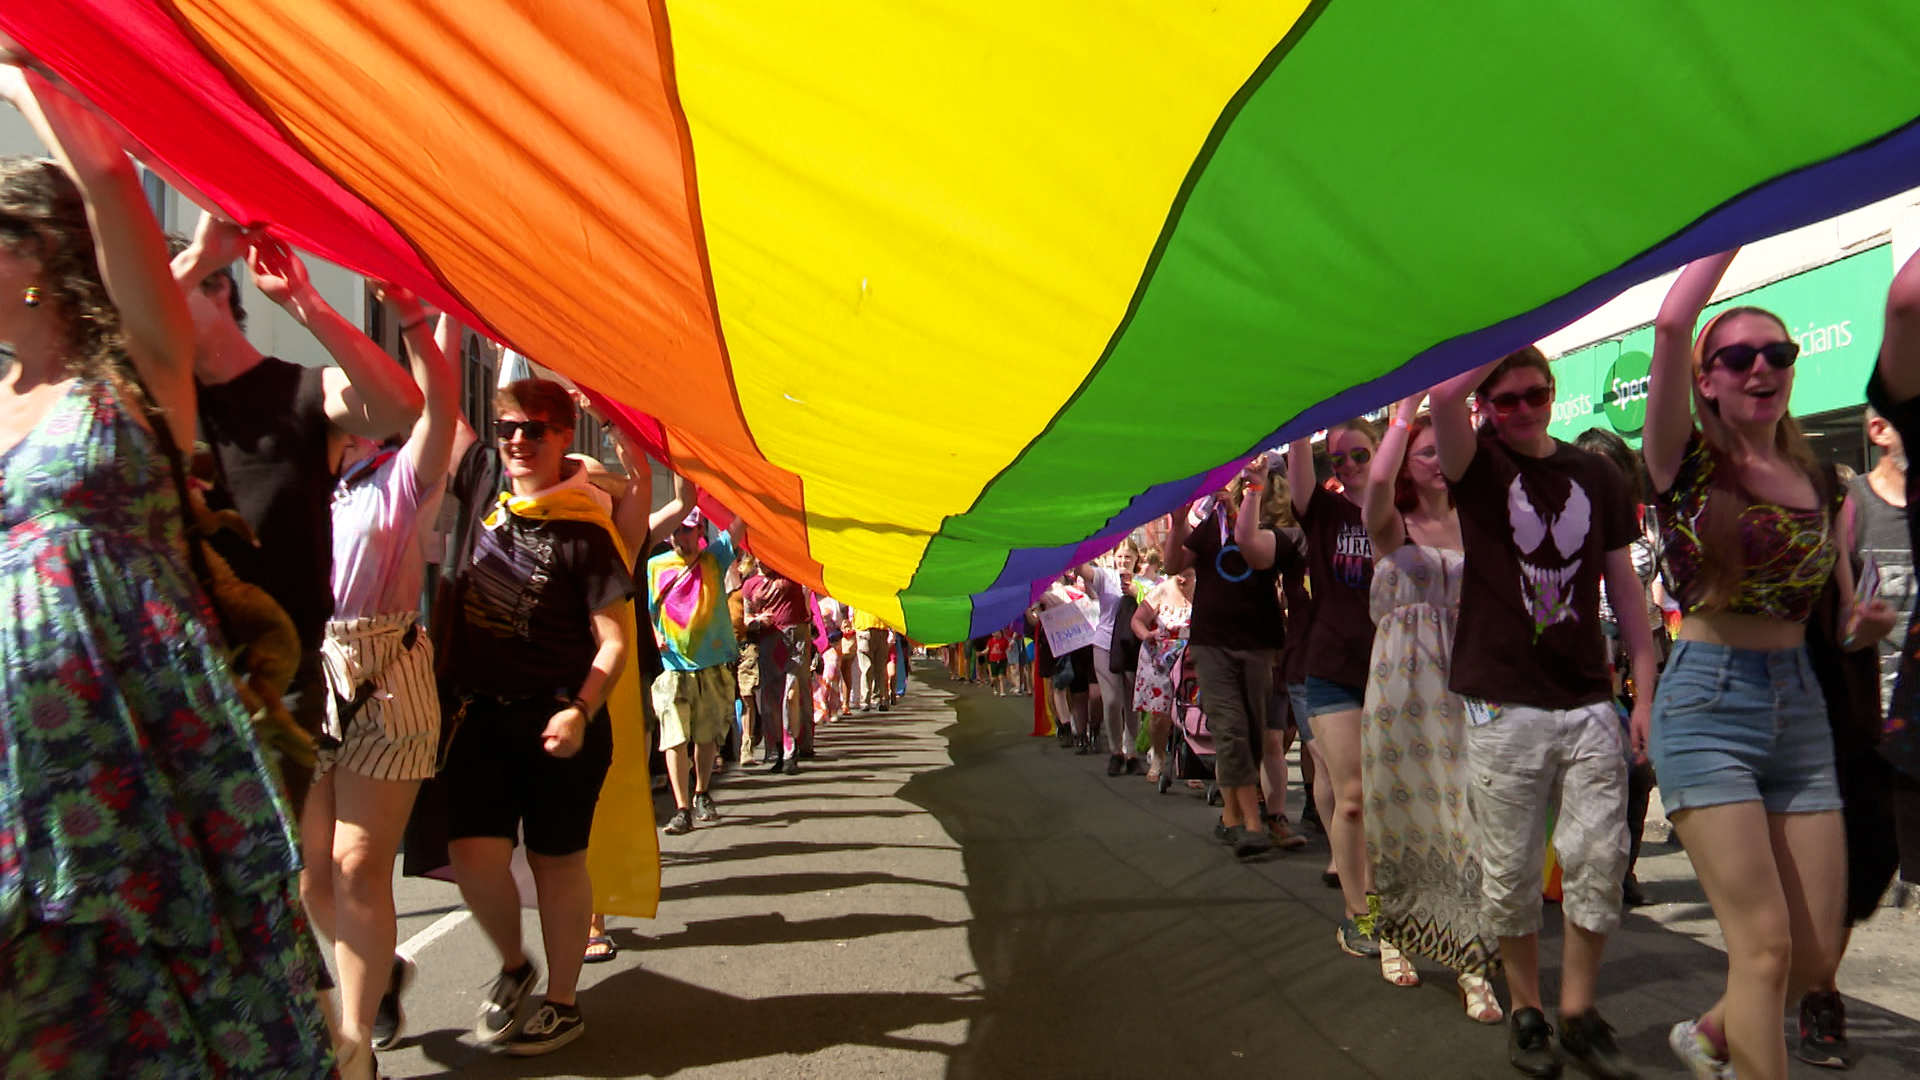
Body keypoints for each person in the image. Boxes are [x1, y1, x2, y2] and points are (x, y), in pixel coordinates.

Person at [0, 60, 335, 1078]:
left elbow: (106, 180)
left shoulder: (133, 379)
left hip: (143, 751)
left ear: (35, 261)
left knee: (178, 995)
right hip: (22, 775)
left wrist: (29, 87)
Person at [1645, 252, 1895, 1080]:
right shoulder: (1685, 462)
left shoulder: (1821, 478)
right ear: (1706, 381)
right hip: (1707, 704)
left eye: (1779, 356)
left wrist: (1864, 624)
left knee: (1813, 957)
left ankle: (1712, 1035)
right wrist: (1738, 224)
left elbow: (1846, 621)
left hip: (1801, 705)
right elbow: (1673, 321)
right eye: (1739, 358)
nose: (1762, 369)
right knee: (1763, 948)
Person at [1431, 345, 1659, 1080]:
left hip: (1587, 693)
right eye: (1506, 400)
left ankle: (1578, 1011)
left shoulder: (1596, 472)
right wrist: (1510, 328)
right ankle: (1527, 1008)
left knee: (1600, 856)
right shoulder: (1478, 465)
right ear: (1486, 408)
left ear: (1553, 393)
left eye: (1534, 395)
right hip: (1502, 700)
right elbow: (1439, 401)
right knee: (1512, 867)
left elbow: (1623, 584)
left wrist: (1644, 687)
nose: (1523, 410)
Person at [172, 212, 424, 811]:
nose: (154, 319)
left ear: (218, 287)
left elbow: (397, 406)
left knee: (267, 873)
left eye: (169, 293)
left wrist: (304, 302)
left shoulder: (301, 391)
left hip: (276, 684)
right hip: (173, 675)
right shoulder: (152, 408)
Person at [439, 378, 633, 1055]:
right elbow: (435, 398)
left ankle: (563, 1001)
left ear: (561, 439)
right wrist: (413, 316)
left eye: (535, 429)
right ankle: (515, 967)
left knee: (557, 863)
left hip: (561, 719)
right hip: (479, 715)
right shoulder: (483, 485)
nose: (518, 440)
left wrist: (582, 710)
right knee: (472, 854)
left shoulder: (588, 533)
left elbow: (613, 641)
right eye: (509, 428)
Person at [300, 291, 458, 1075]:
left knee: (359, 865)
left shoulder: (399, 478)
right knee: (309, 877)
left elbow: (441, 410)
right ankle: (383, 968)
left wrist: (425, 327)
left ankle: (355, 1046)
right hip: (306, 674)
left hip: (387, 671)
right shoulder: (295, 477)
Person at [1360, 393, 1503, 1022]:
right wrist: (1404, 413)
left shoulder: (1479, 520)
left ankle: (1473, 961)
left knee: (1473, 820)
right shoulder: (1391, 524)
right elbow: (1376, 482)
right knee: (1401, 813)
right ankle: (1395, 930)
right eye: (1426, 453)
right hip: (1402, 690)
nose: (1439, 462)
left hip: (1470, 686)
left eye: (1441, 450)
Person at [1164, 455, 1292, 860]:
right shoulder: (1213, 526)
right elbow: (1172, 564)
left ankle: (1233, 819)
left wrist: (1242, 504)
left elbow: (1255, 551)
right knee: (1230, 730)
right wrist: (1178, 519)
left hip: (1258, 641)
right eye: (1249, 476)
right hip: (1212, 642)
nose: (1251, 480)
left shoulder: (1279, 529)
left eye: (1262, 477)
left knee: (1253, 732)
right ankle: (1253, 825)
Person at [1290, 420, 1383, 955]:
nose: (1347, 465)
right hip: (1330, 669)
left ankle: (1393, 893)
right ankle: (1357, 911)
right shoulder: (1324, 511)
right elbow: (1301, 463)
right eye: (1337, 459)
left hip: (1394, 671)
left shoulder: (1399, 511)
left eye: (1358, 454)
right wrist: (1306, 425)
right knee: (1350, 797)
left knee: (1388, 794)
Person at [1572, 427, 1663, 911]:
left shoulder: (1642, 525)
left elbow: (1651, 594)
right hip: (1586, 657)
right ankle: (1583, 866)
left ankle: (1622, 867)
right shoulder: (1563, 521)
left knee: (1638, 770)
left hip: (1637, 653)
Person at [649, 505, 747, 835]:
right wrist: (654, 634)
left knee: (705, 737)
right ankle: (681, 808)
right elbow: (642, 609)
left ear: (700, 531)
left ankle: (701, 792)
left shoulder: (713, 559)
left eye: (687, 529)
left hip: (711, 664)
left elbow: (738, 525)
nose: (681, 536)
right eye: (676, 530)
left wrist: (742, 492)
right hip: (673, 667)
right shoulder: (654, 566)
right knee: (674, 739)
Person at [743, 563, 811, 773]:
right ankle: (780, 751)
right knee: (771, 700)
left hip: (794, 639)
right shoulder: (750, 584)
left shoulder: (791, 572)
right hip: (769, 643)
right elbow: (746, 618)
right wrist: (757, 620)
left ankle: (792, 750)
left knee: (790, 695)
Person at [1132, 569, 1195, 783]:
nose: (1183, 579)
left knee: (1191, 713)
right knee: (1160, 714)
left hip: (1190, 659)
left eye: (1188, 573)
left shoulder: (1203, 591)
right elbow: (1137, 620)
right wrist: (1147, 635)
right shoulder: (1160, 591)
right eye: (1179, 573)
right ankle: (1158, 757)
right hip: (1159, 657)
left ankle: (1189, 766)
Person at [852, 606, 892, 711]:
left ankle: (877, 699)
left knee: (880, 668)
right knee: (867, 667)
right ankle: (865, 700)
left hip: (882, 629)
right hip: (864, 629)